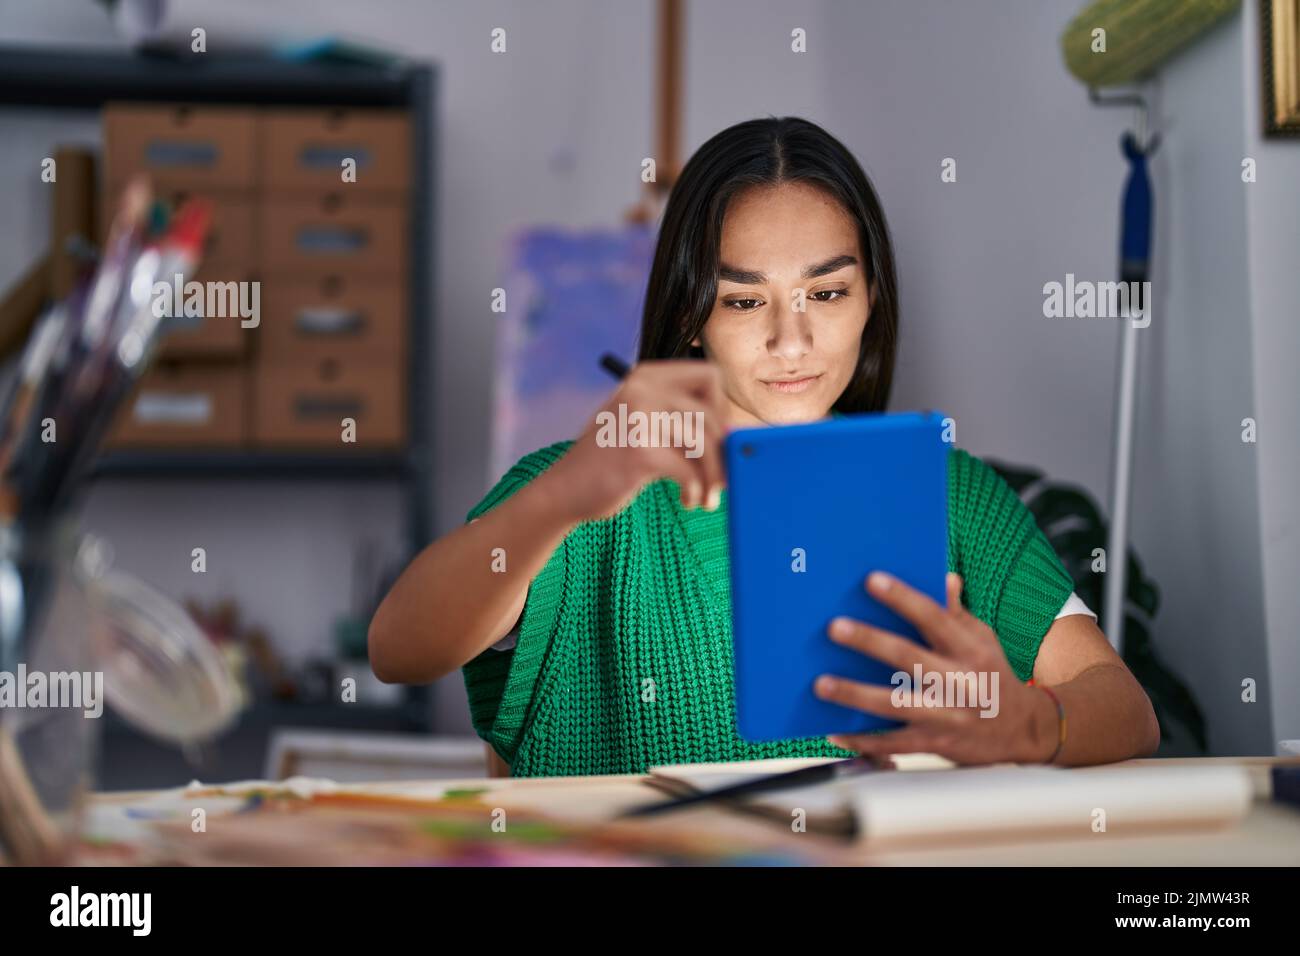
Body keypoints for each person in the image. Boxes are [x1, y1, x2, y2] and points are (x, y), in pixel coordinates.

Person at [370, 116, 1161, 777]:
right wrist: (566, 494)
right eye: (745, 300)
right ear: (691, 313)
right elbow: (399, 647)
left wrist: (1032, 725)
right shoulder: (576, 495)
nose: (792, 339)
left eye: (827, 292)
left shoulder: (947, 491)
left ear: (870, 301)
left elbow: (1125, 710)